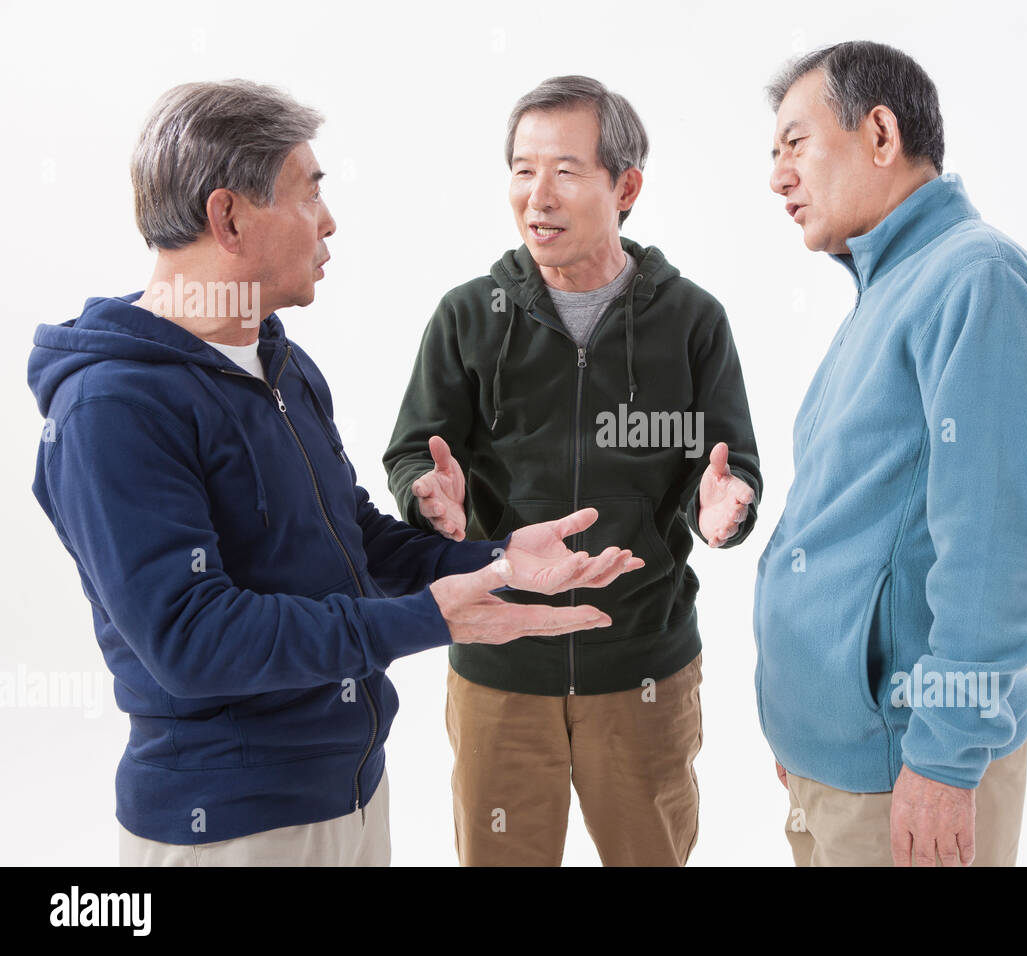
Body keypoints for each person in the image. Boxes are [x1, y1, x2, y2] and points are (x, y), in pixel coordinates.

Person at [27, 79, 640, 867]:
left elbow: (358, 543)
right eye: (309, 192)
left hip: (351, 795)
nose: (329, 220)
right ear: (229, 216)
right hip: (233, 828)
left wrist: (498, 562)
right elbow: (190, 639)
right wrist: (432, 617)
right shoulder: (112, 408)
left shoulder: (279, 362)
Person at [384, 75, 762, 866]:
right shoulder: (468, 315)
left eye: (564, 170)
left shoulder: (692, 320)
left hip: (643, 668)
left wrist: (723, 505)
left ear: (626, 186)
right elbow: (416, 452)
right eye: (522, 170)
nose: (537, 195)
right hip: (499, 663)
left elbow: (723, 467)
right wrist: (429, 497)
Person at [754, 41, 1027, 867]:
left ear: (881, 132)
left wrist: (943, 757)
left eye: (795, 143)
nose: (778, 177)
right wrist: (810, 725)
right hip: (839, 767)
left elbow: (994, 549)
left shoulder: (976, 281)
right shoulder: (890, 290)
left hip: (908, 769)